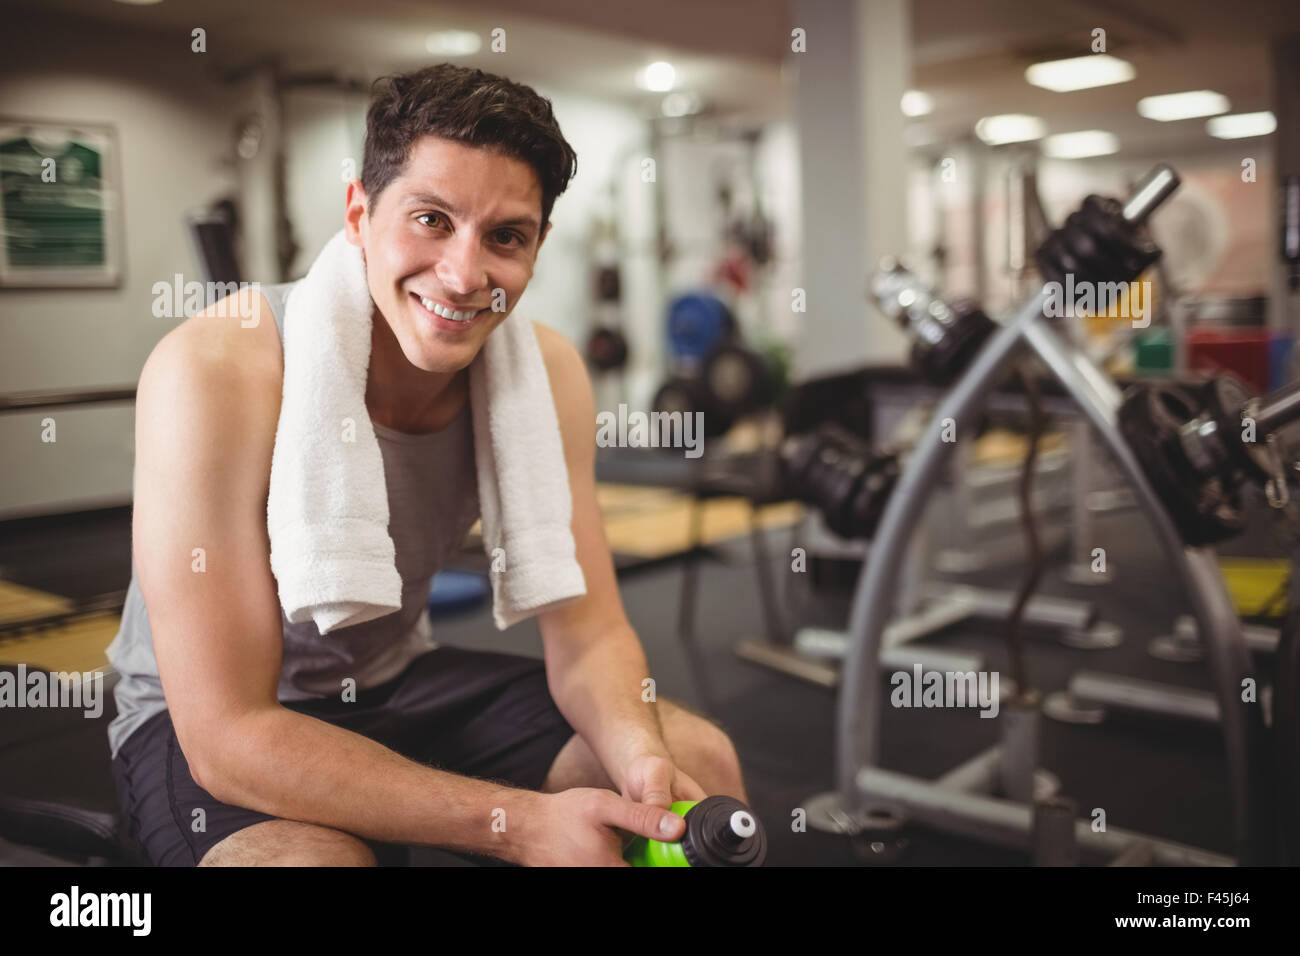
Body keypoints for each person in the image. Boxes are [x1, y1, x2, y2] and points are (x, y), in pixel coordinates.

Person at [107, 63, 747, 867]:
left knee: (698, 770)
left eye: (505, 236)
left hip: (395, 681)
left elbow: (588, 635)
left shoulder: (546, 375)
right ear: (359, 214)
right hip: (211, 716)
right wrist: (514, 823)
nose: (464, 274)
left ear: (539, 247)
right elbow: (229, 736)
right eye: (432, 219)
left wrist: (639, 760)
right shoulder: (216, 366)